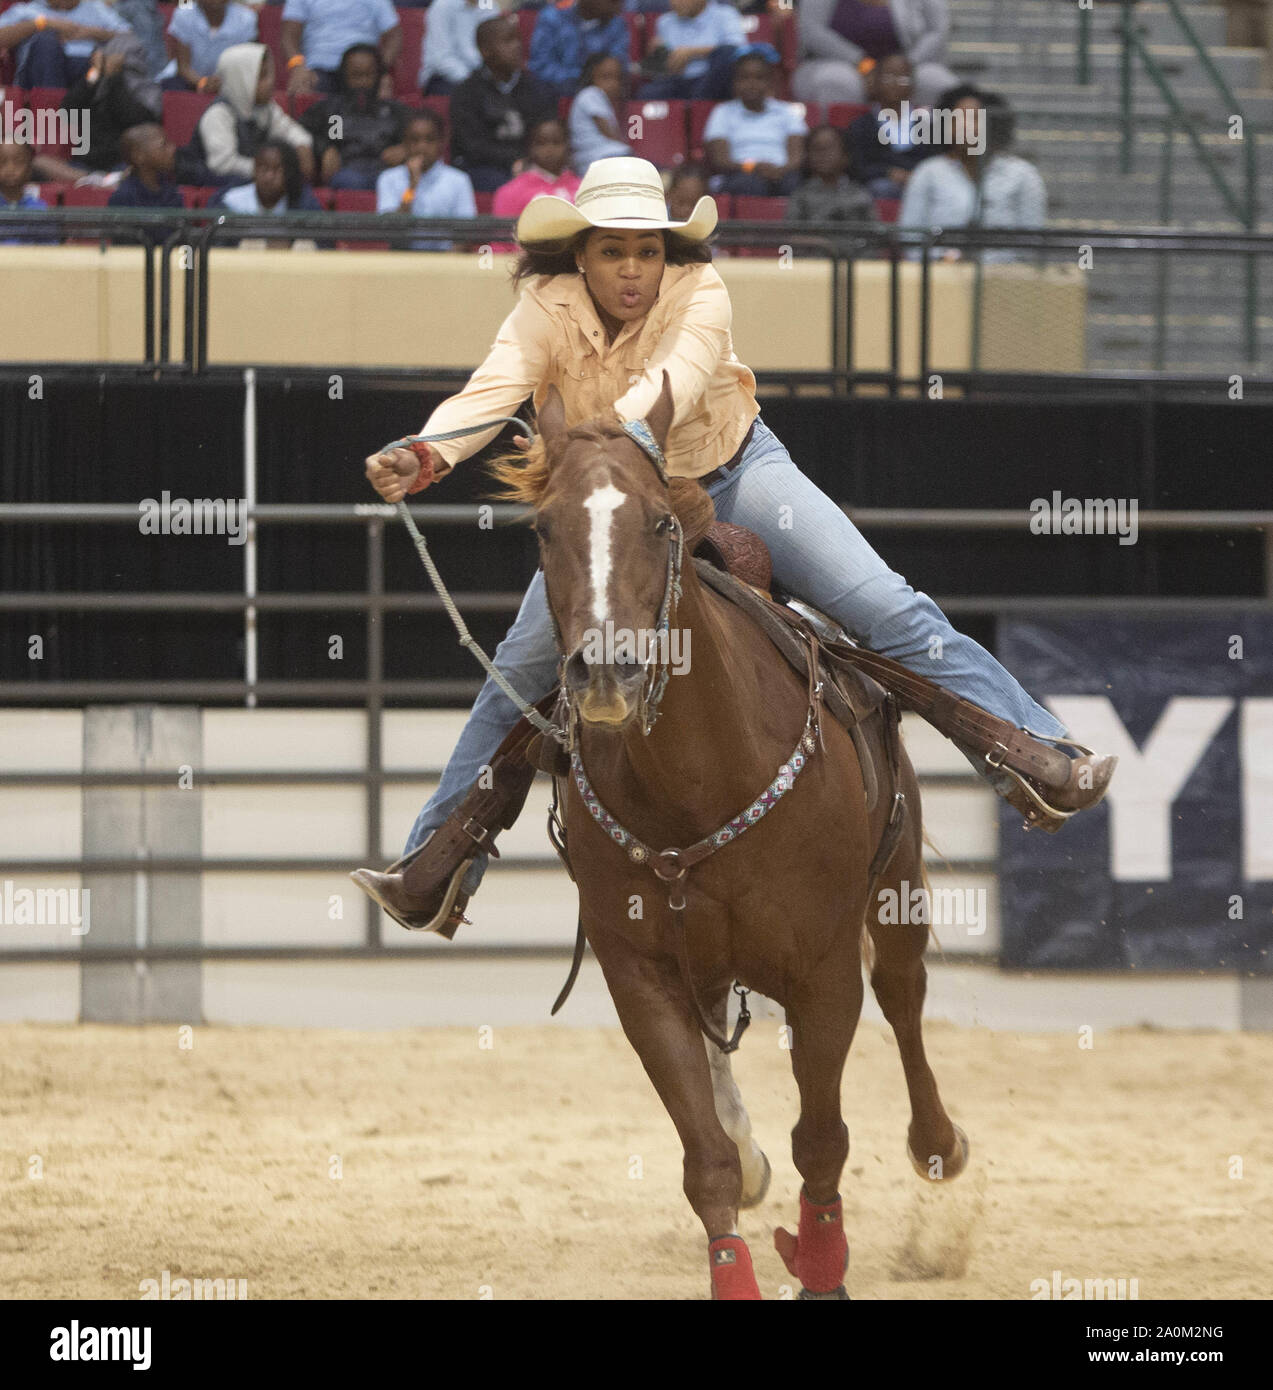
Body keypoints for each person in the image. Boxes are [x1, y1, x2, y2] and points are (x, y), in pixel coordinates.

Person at [352, 154, 1117, 934]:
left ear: (666, 254)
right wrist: (426, 452)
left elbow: (676, 380)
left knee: (885, 603)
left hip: (736, 471)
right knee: (516, 667)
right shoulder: (542, 307)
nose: (631, 270)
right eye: (612, 251)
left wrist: (611, 438)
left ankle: (1034, 753)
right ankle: (437, 862)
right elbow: (494, 385)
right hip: (621, 500)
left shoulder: (701, 288)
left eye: (647, 251)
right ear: (578, 254)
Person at [898, 86, 1046, 261]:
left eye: (974, 118)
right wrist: (941, 258)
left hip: (1004, 278)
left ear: (993, 124)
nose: (965, 126)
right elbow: (909, 237)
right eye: (957, 119)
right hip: (940, 277)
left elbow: (1032, 240)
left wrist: (996, 263)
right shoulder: (928, 173)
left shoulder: (1023, 175)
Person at [450, 14, 556, 194]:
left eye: (518, 40)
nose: (517, 46)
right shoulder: (466, 92)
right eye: (508, 41)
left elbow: (547, 134)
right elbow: (471, 146)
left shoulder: (538, 89)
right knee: (504, 185)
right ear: (485, 50)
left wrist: (528, 161)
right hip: (484, 168)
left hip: (531, 164)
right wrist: (514, 160)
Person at [793, 0, 957, 108]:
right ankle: (842, 151)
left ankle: (932, 153)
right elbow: (811, 30)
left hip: (908, 62)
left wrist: (907, 64)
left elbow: (937, 30)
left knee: (938, 83)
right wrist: (862, 63)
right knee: (837, 82)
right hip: (839, 62)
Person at [192, 42, 315, 184]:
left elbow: (290, 131)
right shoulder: (218, 114)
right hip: (222, 191)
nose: (271, 82)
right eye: (262, 76)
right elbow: (223, 165)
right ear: (242, 80)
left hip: (258, 184)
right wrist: (273, 169)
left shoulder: (265, 107)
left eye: (268, 74)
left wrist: (302, 145)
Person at [301, 43, 408, 191]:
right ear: (344, 77)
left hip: (386, 173)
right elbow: (299, 132)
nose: (363, 83)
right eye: (356, 76)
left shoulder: (394, 112)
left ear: (378, 77)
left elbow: (422, 137)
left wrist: (406, 149)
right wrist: (325, 149)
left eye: (368, 75)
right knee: (351, 182)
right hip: (348, 173)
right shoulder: (335, 113)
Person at [703, 44, 805, 197]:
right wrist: (753, 167)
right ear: (734, 82)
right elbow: (720, 160)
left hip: (782, 173)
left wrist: (778, 170)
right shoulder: (722, 112)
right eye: (744, 78)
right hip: (741, 173)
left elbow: (797, 157)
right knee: (750, 184)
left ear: (770, 82)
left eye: (759, 78)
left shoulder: (786, 112)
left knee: (795, 184)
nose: (751, 84)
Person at [58, 33, 162, 176]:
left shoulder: (149, 90)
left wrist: (115, 78)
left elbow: (136, 121)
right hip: (84, 164)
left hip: (123, 166)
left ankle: (101, 182)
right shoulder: (93, 81)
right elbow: (67, 113)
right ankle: (94, 181)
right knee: (40, 164)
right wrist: (95, 73)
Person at [376, 108, 476, 250]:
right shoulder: (388, 179)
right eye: (414, 140)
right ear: (404, 143)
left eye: (430, 140)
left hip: (446, 262)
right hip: (401, 261)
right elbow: (392, 230)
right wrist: (411, 187)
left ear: (442, 142)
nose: (422, 147)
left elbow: (465, 234)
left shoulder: (459, 180)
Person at [844, 51, 932, 200]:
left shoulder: (928, 124)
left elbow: (935, 161)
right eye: (888, 77)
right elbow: (856, 167)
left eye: (902, 77)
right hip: (879, 186)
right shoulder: (861, 126)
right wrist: (888, 172)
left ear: (913, 85)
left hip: (922, 182)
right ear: (875, 82)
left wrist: (914, 176)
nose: (895, 82)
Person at [280, 0, 401, 97]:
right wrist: (297, 66)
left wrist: (381, 71)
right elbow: (288, 37)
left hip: (362, 68)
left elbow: (394, 36)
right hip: (318, 70)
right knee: (304, 90)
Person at [0, 0, 129, 89]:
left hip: (88, 70)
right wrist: (43, 24)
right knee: (46, 42)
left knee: (107, 61)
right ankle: (51, 117)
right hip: (42, 73)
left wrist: (91, 33)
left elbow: (129, 38)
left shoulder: (97, 9)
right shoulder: (29, 10)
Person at [640, 0, 743, 100]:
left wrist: (692, 52)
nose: (674, 3)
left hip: (708, 78)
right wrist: (658, 57)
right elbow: (662, 66)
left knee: (727, 53)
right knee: (648, 93)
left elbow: (736, 50)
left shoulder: (726, 14)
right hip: (677, 80)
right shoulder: (664, 21)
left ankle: (698, 105)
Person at [528, 0, 631, 100]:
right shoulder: (551, 18)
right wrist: (582, 81)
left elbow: (617, 68)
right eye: (612, 1)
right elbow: (541, 66)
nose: (619, 6)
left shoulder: (617, 24)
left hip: (600, 99)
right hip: (554, 97)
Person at [158, 0, 258, 93]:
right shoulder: (183, 14)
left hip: (231, 83)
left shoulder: (247, 18)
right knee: (169, 88)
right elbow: (183, 66)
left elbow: (245, 67)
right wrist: (202, 82)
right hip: (189, 80)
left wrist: (222, 85)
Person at [790, 123, 873, 222]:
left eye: (829, 148)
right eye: (816, 148)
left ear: (845, 155)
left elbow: (875, 235)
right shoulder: (801, 196)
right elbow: (791, 234)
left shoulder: (861, 196)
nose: (822, 154)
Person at [568, 51, 630, 174]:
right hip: (596, 158)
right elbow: (608, 131)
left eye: (617, 78)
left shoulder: (602, 99)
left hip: (602, 156)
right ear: (592, 76)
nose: (613, 84)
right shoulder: (590, 93)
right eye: (606, 77)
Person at [418, 0, 494, 97]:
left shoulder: (486, 4)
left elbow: (494, 45)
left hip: (480, 76)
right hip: (443, 77)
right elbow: (440, 59)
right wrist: (474, 80)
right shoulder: (443, 5)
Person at [107, 121, 183, 206]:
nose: (173, 149)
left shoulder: (170, 191)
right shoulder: (124, 198)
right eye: (163, 145)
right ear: (139, 156)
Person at [0, 137, 54, 244]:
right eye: (2, 162)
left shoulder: (40, 209)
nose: (10, 169)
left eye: (18, 162)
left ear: (29, 168)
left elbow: (49, 249)